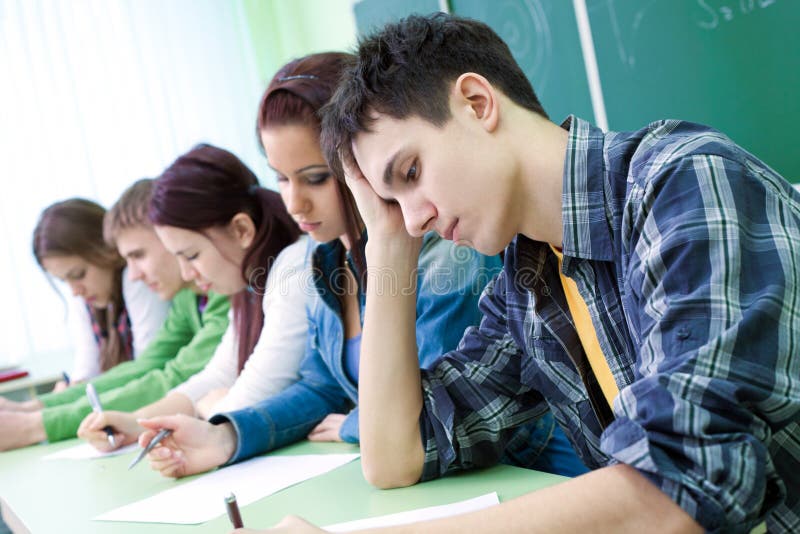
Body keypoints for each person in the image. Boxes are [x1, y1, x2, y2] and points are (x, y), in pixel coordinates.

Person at [278, 13, 800, 534]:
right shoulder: (527, 278)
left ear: (477, 103)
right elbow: (395, 456)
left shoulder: (685, 183)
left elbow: (683, 483)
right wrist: (388, 244)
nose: (416, 219)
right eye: (393, 201)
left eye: (411, 173)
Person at [137, 52, 584, 481]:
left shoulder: (454, 252)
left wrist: (355, 425)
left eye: (315, 177)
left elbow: (425, 414)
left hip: (521, 475)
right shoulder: (324, 263)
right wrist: (226, 435)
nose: (294, 202)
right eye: (280, 177)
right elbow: (322, 387)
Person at [79, 144, 309, 451]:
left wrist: (209, 410)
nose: (187, 274)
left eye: (192, 255)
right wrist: (137, 422)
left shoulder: (294, 267)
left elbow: (259, 388)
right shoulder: (246, 288)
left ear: (241, 230)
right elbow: (218, 374)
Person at [0, 179, 229, 450]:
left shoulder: (222, 287)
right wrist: (37, 408)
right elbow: (146, 366)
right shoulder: (185, 297)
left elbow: (172, 377)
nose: (133, 274)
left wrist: (37, 423)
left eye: (139, 255)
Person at [34, 197, 170, 386]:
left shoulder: (136, 279)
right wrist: (72, 390)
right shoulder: (87, 296)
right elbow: (87, 369)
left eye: (78, 274)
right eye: (64, 281)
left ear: (104, 250)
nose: (75, 291)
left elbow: (145, 368)